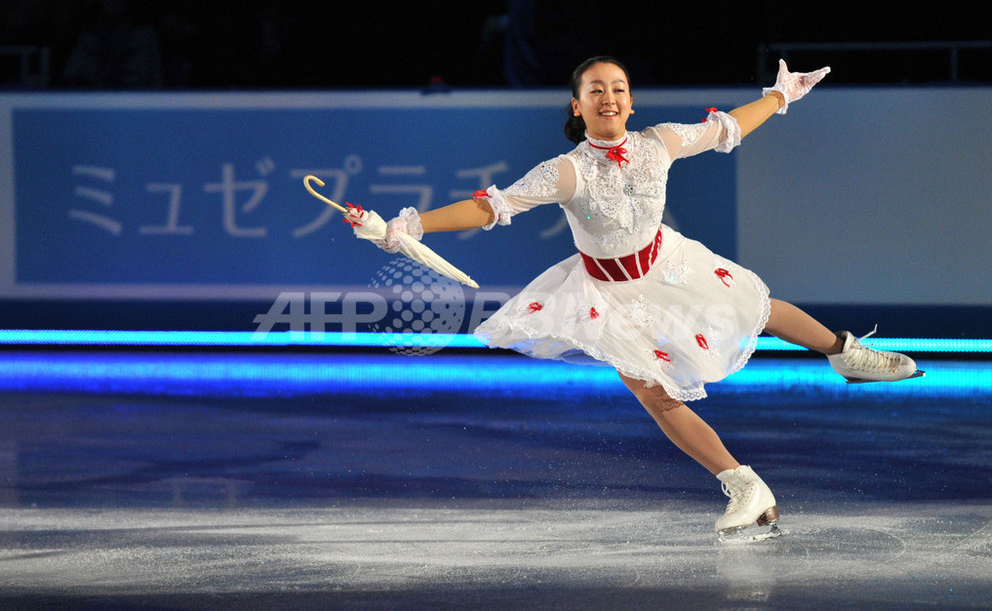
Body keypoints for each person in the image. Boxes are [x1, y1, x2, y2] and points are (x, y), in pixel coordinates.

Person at [351, 56, 922, 540]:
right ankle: (746, 486)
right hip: (608, 292)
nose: (608, 96)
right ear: (577, 106)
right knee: (657, 395)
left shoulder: (659, 142)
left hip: (669, 264)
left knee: (759, 309)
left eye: (618, 88)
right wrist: (409, 227)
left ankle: (847, 354)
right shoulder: (566, 171)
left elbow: (728, 129)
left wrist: (778, 95)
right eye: (595, 89)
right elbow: (491, 206)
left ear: (630, 101)